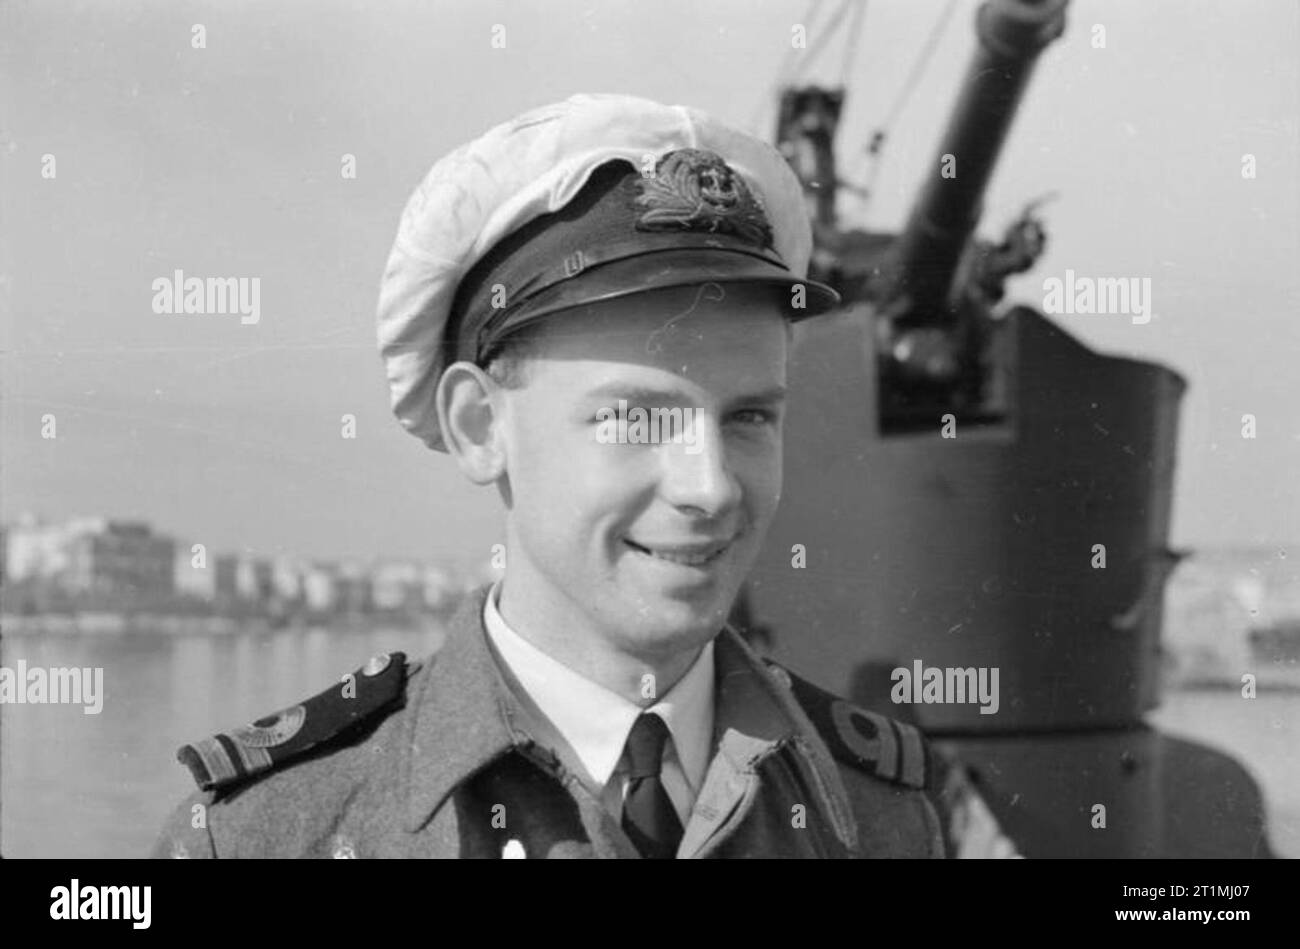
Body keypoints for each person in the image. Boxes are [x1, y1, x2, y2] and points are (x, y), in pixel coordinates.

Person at [152, 93, 945, 859]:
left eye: (749, 417)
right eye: (638, 417)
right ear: (479, 426)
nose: (711, 487)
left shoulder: (882, 818)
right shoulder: (274, 834)